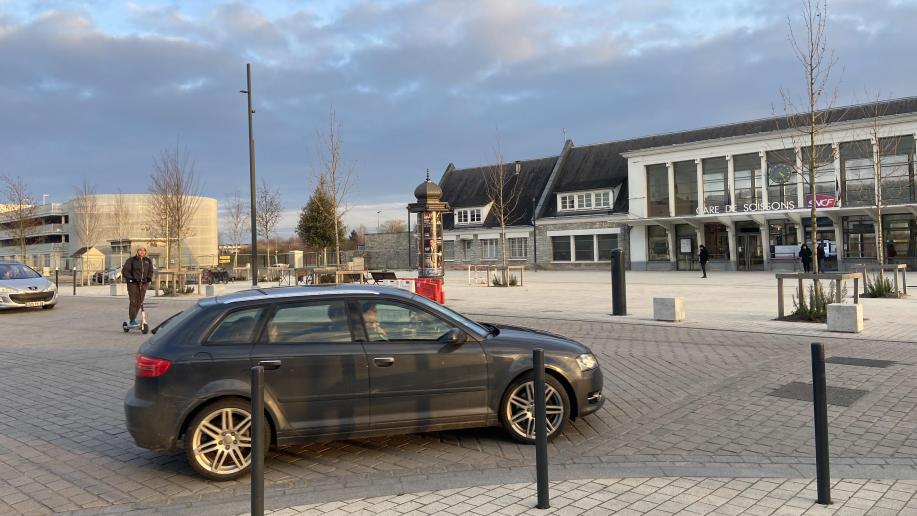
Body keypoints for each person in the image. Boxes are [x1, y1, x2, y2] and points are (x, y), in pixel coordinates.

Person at [121, 247, 154, 327]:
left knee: (140, 301)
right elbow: (125, 271)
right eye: (140, 250)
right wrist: (131, 278)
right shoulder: (131, 260)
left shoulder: (148, 261)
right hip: (133, 283)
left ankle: (133, 318)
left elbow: (150, 271)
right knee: (133, 301)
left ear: (145, 252)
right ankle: (132, 319)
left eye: (144, 250)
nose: (142, 251)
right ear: (137, 251)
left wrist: (148, 278)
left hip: (143, 283)